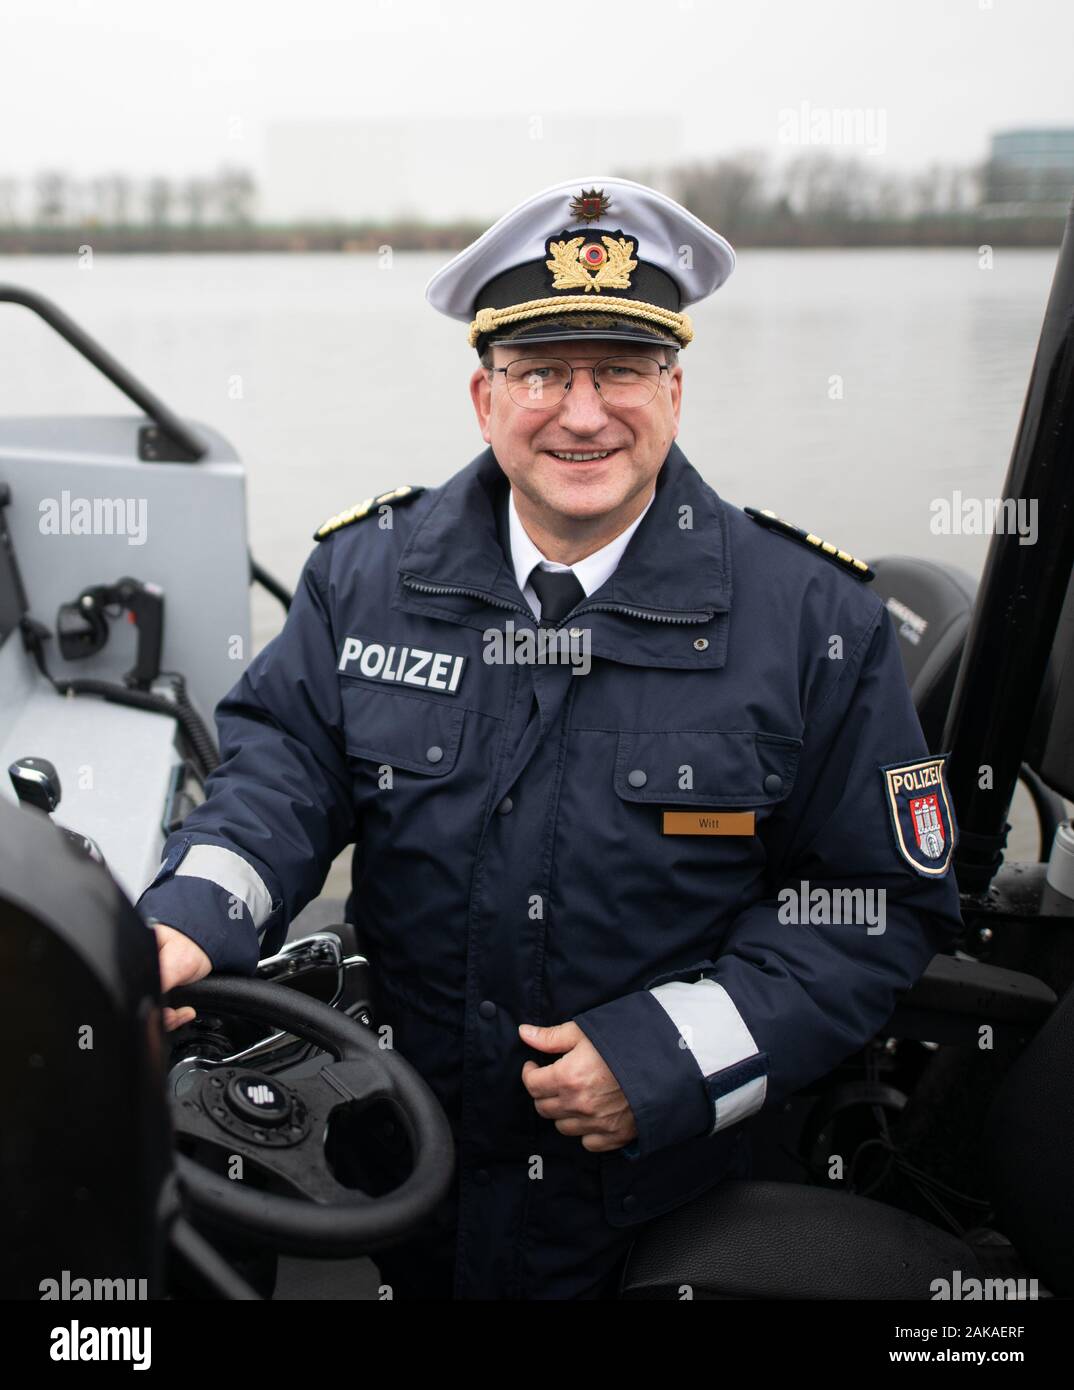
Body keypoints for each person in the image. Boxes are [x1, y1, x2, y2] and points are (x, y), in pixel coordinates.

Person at [138, 175, 963, 1300]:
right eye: (541, 373)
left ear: (675, 387)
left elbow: (880, 904)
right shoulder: (362, 576)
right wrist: (190, 918)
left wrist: (674, 1056)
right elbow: (283, 770)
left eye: (621, 368)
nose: (583, 413)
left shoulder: (815, 620)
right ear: (484, 397)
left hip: (662, 1198)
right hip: (399, 1156)